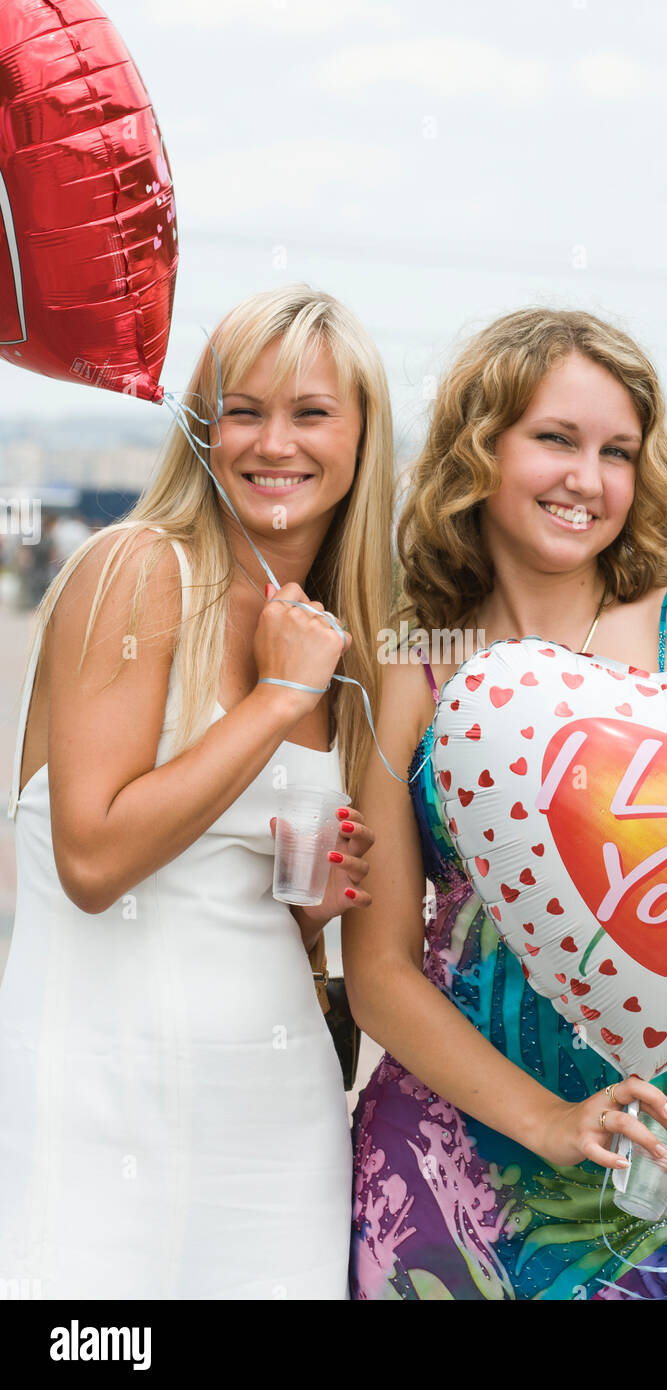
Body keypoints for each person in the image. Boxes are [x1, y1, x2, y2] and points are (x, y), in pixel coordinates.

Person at [344, 307, 667, 1301]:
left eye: (616, 451)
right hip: (435, 1175)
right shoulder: (415, 659)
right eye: (553, 438)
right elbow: (380, 967)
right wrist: (544, 1121)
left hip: (654, 1184)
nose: (585, 478)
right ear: (481, 447)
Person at [0, 285, 393, 1299]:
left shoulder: (342, 637)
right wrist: (275, 699)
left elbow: (228, 900)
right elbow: (93, 861)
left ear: (359, 437)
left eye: (310, 413)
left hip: (272, 1126)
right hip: (95, 1109)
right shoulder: (135, 570)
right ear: (202, 428)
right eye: (242, 409)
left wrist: (310, 915)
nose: (274, 442)